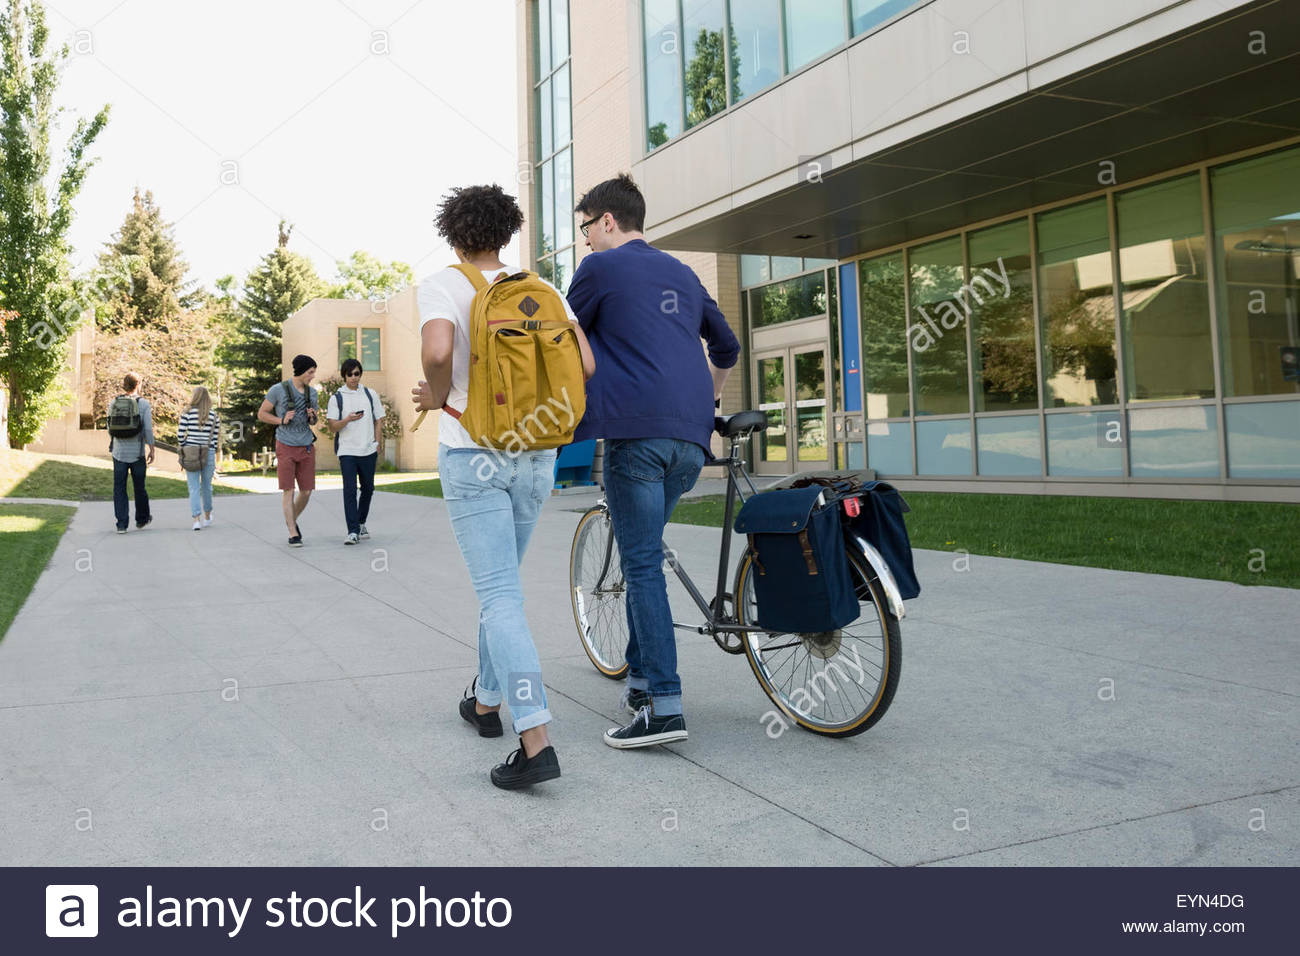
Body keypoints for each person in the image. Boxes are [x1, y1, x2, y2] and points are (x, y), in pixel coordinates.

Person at [411, 183, 595, 790]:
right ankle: (486, 701)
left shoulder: (444, 284)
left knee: (500, 598)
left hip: (474, 455)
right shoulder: (539, 290)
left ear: (454, 235)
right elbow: (586, 365)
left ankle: (535, 738)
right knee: (504, 588)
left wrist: (436, 394)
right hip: (538, 453)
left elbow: (437, 349)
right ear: (507, 233)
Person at [567, 173, 740, 749]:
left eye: (587, 227)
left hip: (635, 438)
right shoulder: (683, 274)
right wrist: (709, 399)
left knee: (640, 565)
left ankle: (664, 710)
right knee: (646, 556)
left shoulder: (598, 270)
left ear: (608, 222)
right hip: (690, 442)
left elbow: (562, 342)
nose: (585, 240)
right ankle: (641, 682)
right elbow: (728, 348)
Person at [257, 354, 319, 547]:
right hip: (285, 444)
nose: (312, 376)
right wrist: (281, 420)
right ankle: (293, 533)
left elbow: (315, 422)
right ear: (301, 371)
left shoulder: (312, 394)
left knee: (307, 491)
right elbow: (262, 414)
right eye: (310, 372)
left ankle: (290, 520)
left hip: (306, 445)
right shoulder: (278, 390)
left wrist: (313, 417)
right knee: (288, 490)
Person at [327, 357, 385, 545]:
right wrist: (348, 420)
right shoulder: (337, 398)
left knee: (368, 489)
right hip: (347, 451)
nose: (354, 377)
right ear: (344, 375)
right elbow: (333, 427)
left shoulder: (370, 394)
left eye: (357, 374)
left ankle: (360, 523)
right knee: (350, 490)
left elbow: (379, 419)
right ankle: (352, 531)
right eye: (350, 374)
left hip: (368, 450)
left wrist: (377, 443)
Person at [109, 372, 155, 534]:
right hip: (137, 453)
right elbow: (148, 429)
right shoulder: (143, 404)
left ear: (124, 384)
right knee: (139, 487)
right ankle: (141, 519)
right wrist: (152, 448)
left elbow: (110, 427)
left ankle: (121, 524)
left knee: (119, 487)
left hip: (119, 453)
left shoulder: (114, 402)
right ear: (138, 384)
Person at [177, 386, 220, 531]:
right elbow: (214, 439)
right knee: (207, 486)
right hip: (209, 452)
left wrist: (185, 446)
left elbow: (180, 435)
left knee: (193, 487)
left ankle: (196, 520)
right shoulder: (214, 416)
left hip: (191, 453)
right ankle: (207, 517)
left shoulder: (187, 413)